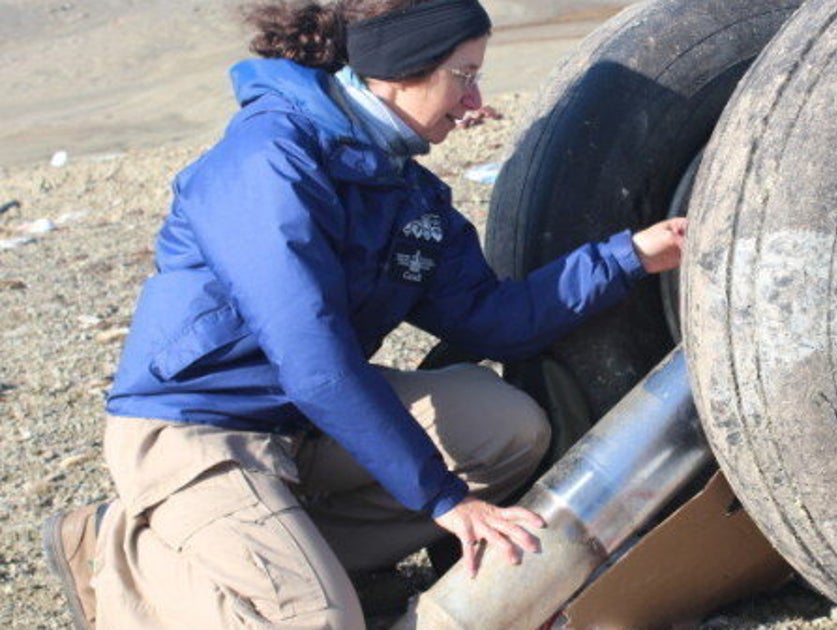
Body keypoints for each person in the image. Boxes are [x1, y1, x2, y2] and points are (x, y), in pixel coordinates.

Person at [39, 0, 687, 627]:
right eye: (462, 76)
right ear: (400, 70)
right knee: (316, 621)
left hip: (303, 424)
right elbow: (313, 359)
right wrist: (445, 502)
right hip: (200, 427)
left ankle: (274, 550)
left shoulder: (407, 194)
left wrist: (630, 256)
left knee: (507, 432)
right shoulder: (270, 163)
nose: (473, 101)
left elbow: (496, 319)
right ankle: (123, 554)